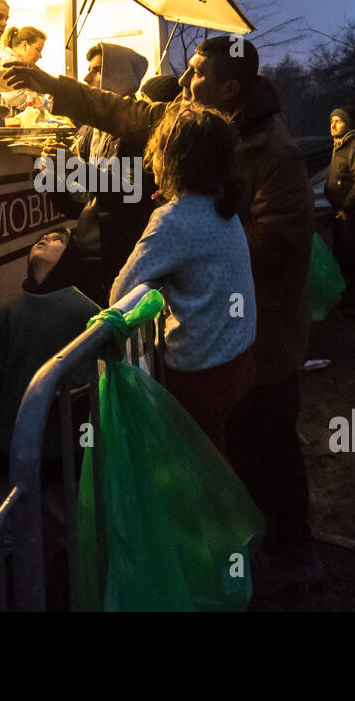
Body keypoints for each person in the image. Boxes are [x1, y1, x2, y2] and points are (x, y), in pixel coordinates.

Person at [6, 35, 321, 585]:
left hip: (260, 329)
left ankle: (295, 554)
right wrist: (53, 87)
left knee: (268, 441)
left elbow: (284, 242)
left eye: (198, 71)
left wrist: (199, 242)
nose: (185, 79)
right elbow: (124, 111)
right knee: (222, 449)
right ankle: (233, 547)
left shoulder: (274, 152)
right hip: (211, 331)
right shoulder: (192, 121)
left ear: (229, 86)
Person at [109, 104, 257, 456]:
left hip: (201, 375)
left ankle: (216, 512)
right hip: (239, 359)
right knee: (224, 456)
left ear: (171, 158)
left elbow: (121, 291)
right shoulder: (224, 206)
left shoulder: (172, 219)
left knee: (202, 470)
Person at [0, 229, 99, 573]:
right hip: (13, 443)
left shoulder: (83, 309)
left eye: (58, 239)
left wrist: (76, 389)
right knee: (1, 511)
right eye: (42, 237)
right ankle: (9, 571)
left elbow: (96, 366)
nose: (44, 239)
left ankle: (67, 575)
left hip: (61, 445)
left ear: (70, 258)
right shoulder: (10, 311)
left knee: (63, 517)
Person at [42, 43, 150, 305]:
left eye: (97, 70)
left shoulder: (138, 129)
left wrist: (74, 168)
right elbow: (83, 204)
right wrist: (49, 176)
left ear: (120, 76)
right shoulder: (91, 130)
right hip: (91, 252)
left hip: (124, 254)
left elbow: (131, 195)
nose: (87, 78)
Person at [324, 106, 355, 317]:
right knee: (342, 256)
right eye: (332, 120)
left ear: (349, 124)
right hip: (340, 211)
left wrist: (348, 207)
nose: (333, 125)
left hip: (353, 213)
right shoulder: (339, 145)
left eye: (339, 121)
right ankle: (347, 298)